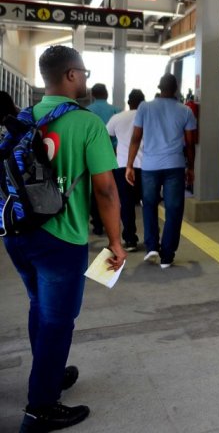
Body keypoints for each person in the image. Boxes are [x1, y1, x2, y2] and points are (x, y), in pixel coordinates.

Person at [3, 45, 125, 431]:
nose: (85, 79)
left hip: (19, 235)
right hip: (62, 239)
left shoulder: (23, 118)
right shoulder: (86, 123)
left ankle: (49, 373)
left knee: (40, 306)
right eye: (83, 73)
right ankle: (40, 410)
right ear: (71, 75)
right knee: (58, 322)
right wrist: (116, 242)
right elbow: (106, 191)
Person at [125, 74, 197, 269]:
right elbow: (190, 144)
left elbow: (136, 138)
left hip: (149, 166)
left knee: (149, 205)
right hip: (175, 165)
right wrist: (191, 167)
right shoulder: (186, 111)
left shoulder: (144, 107)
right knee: (174, 209)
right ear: (176, 89)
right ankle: (167, 256)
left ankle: (151, 248)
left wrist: (130, 165)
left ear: (159, 87)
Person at [106, 89, 145, 252]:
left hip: (122, 165)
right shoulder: (148, 117)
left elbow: (106, 136)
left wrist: (114, 151)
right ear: (143, 103)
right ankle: (152, 240)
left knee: (126, 203)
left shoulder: (117, 117)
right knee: (148, 203)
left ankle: (130, 240)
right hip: (146, 166)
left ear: (128, 102)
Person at [87, 83, 120, 238]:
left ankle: (98, 224)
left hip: (92, 156)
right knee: (111, 190)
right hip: (113, 155)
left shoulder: (86, 111)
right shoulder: (116, 111)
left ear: (93, 95)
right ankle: (112, 223)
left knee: (95, 191)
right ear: (106, 94)